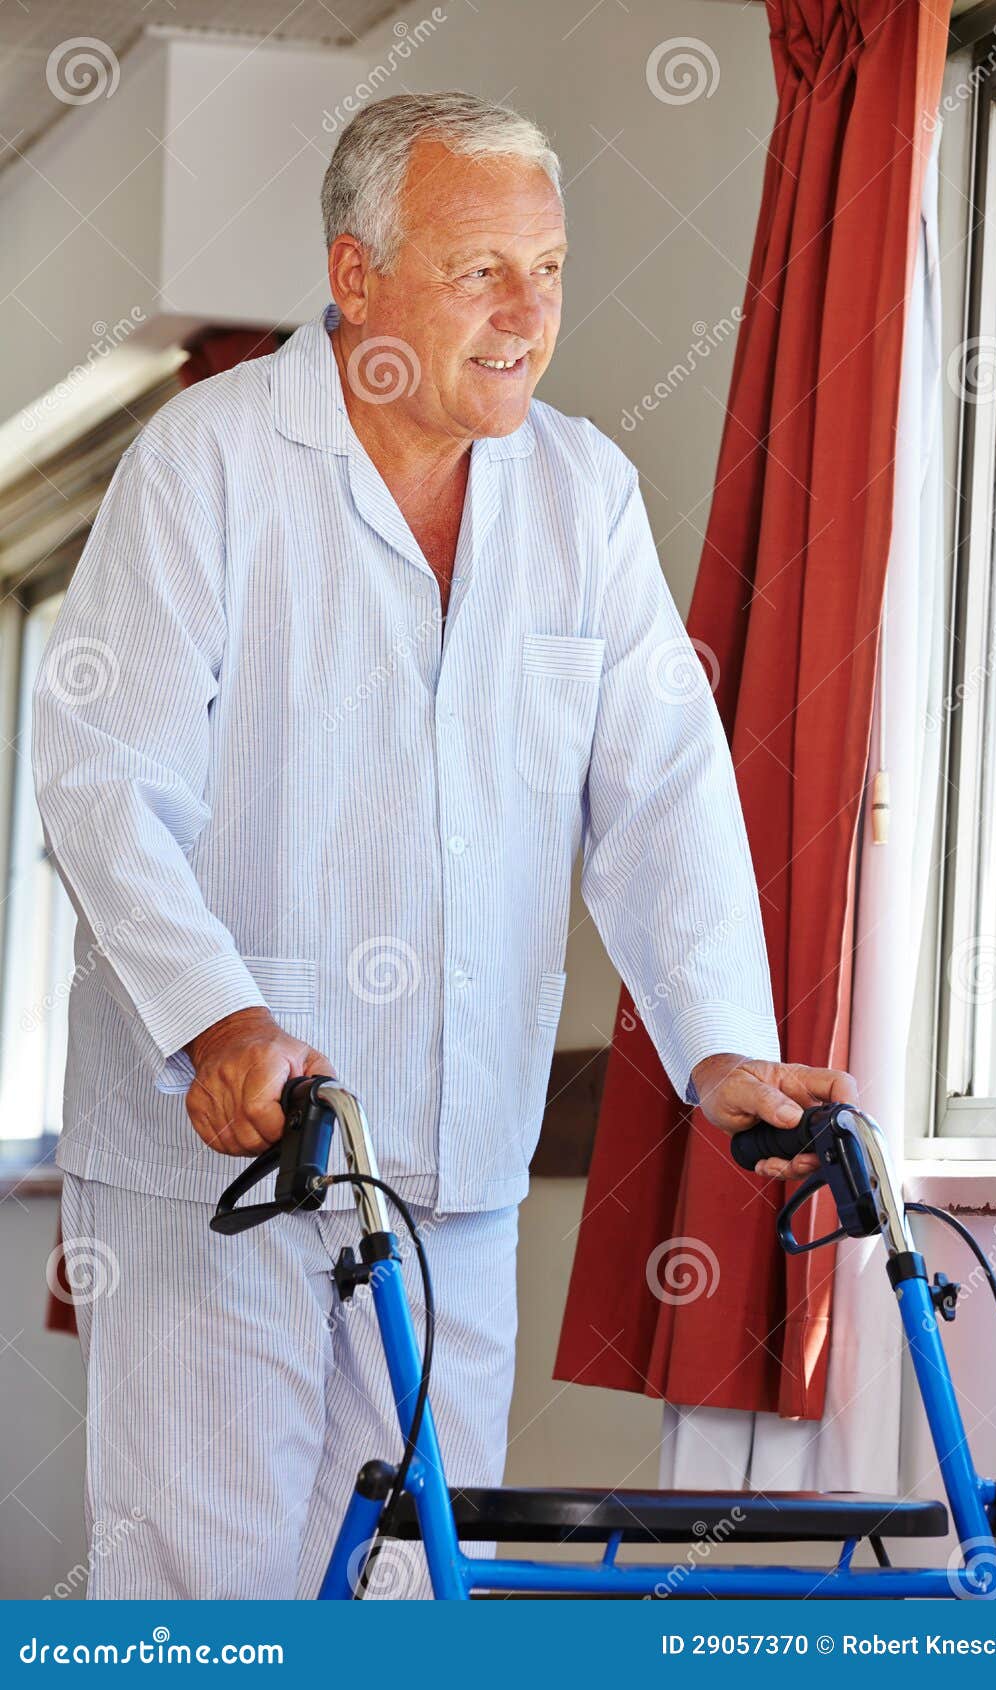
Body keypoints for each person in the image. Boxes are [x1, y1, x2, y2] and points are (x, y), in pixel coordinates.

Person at [32, 90, 855, 1600]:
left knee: (419, 1592)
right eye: (482, 269)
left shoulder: (581, 495)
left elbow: (661, 781)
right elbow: (100, 774)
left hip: (450, 1170)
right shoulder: (209, 465)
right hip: (232, 1161)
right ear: (358, 281)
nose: (526, 314)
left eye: (547, 268)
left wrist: (726, 1046)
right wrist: (218, 1016)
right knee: (214, 1590)